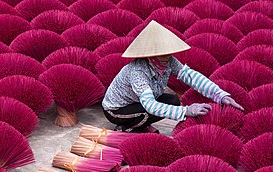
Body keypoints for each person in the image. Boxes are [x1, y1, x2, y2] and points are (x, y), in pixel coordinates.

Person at [101, 20, 245, 132]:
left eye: (168, 53)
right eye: (162, 54)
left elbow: (190, 76)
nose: (166, 57)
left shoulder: (169, 61)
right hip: (116, 110)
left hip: (136, 102)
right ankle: (128, 128)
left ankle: (139, 124)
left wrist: (220, 95)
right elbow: (150, 105)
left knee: (173, 100)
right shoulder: (138, 72)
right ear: (150, 55)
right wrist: (187, 111)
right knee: (146, 113)